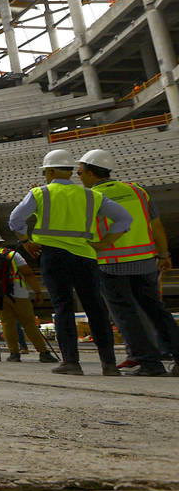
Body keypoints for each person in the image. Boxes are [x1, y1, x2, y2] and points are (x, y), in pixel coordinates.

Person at [9, 149, 131, 376]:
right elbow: (124, 219)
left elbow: (15, 220)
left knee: (62, 307)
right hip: (85, 256)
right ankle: (109, 364)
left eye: (46, 171)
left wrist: (26, 241)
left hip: (54, 256)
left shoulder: (40, 193)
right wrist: (103, 244)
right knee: (96, 308)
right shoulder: (91, 195)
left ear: (51, 171)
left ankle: (71, 362)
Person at [76, 149, 179, 377]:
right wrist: (164, 255)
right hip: (145, 262)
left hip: (111, 265)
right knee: (156, 311)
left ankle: (149, 363)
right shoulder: (137, 191)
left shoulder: (89, 198)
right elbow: (156, 226)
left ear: (91, 173)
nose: (79, 176)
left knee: (126, 315)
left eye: (80, 172)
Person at [0, 232, 57, 363]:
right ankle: (43, 353)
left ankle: (14, 354)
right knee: (28, 324)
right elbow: (28, 274)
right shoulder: (13, 255)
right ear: (2, 243)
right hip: (19, 293)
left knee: (7, 323)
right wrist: (38, 292)